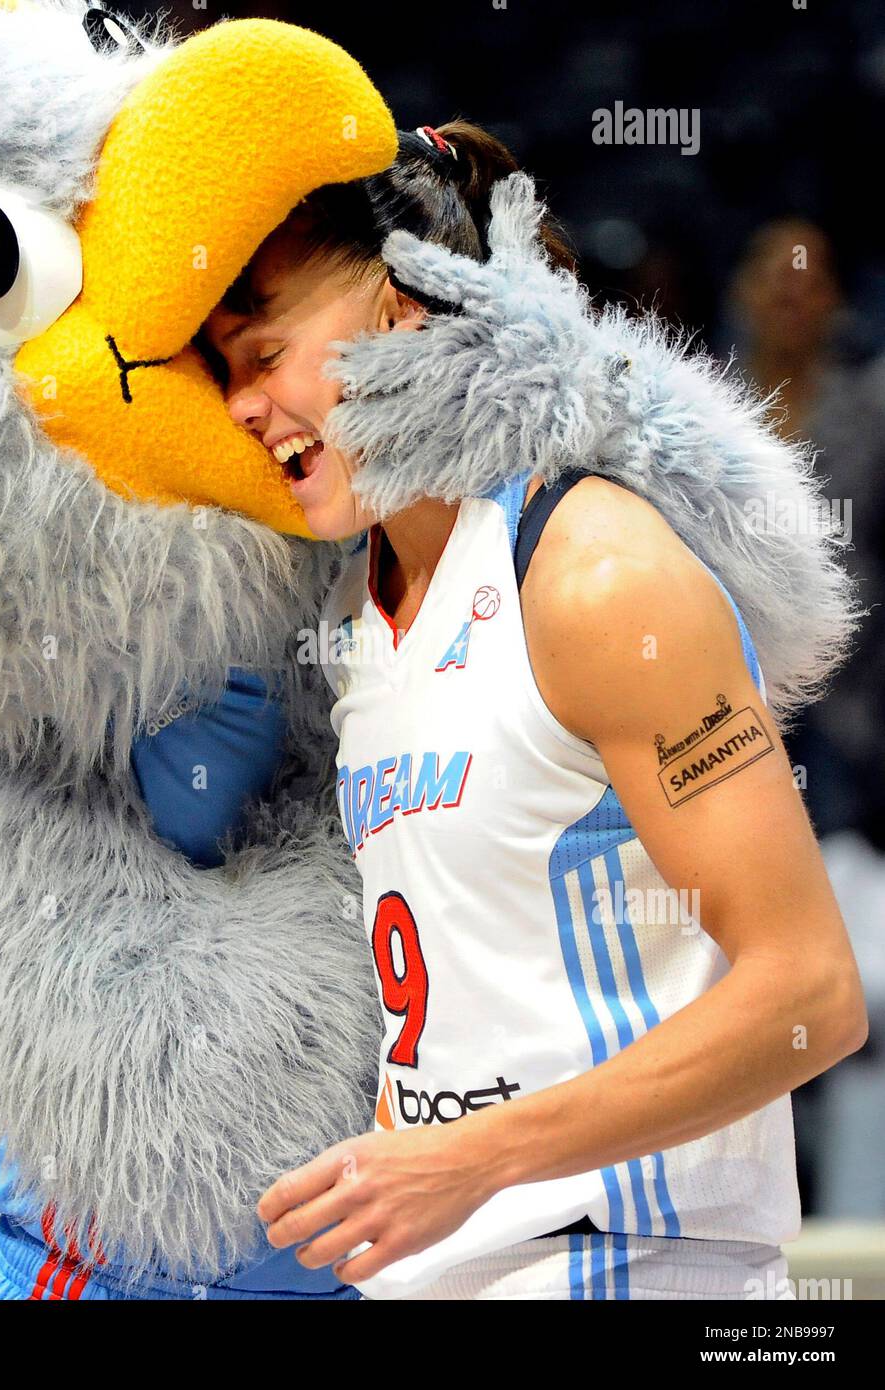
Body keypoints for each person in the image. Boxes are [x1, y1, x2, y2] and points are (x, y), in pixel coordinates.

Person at [198, 122, 868, 1300]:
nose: (246, 406)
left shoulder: (594, 570)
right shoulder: (360, 603)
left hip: (633, 1267)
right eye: (224, 374)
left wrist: (472, 1158)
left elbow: (810, 997)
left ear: (404, 307)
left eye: (265, 353)